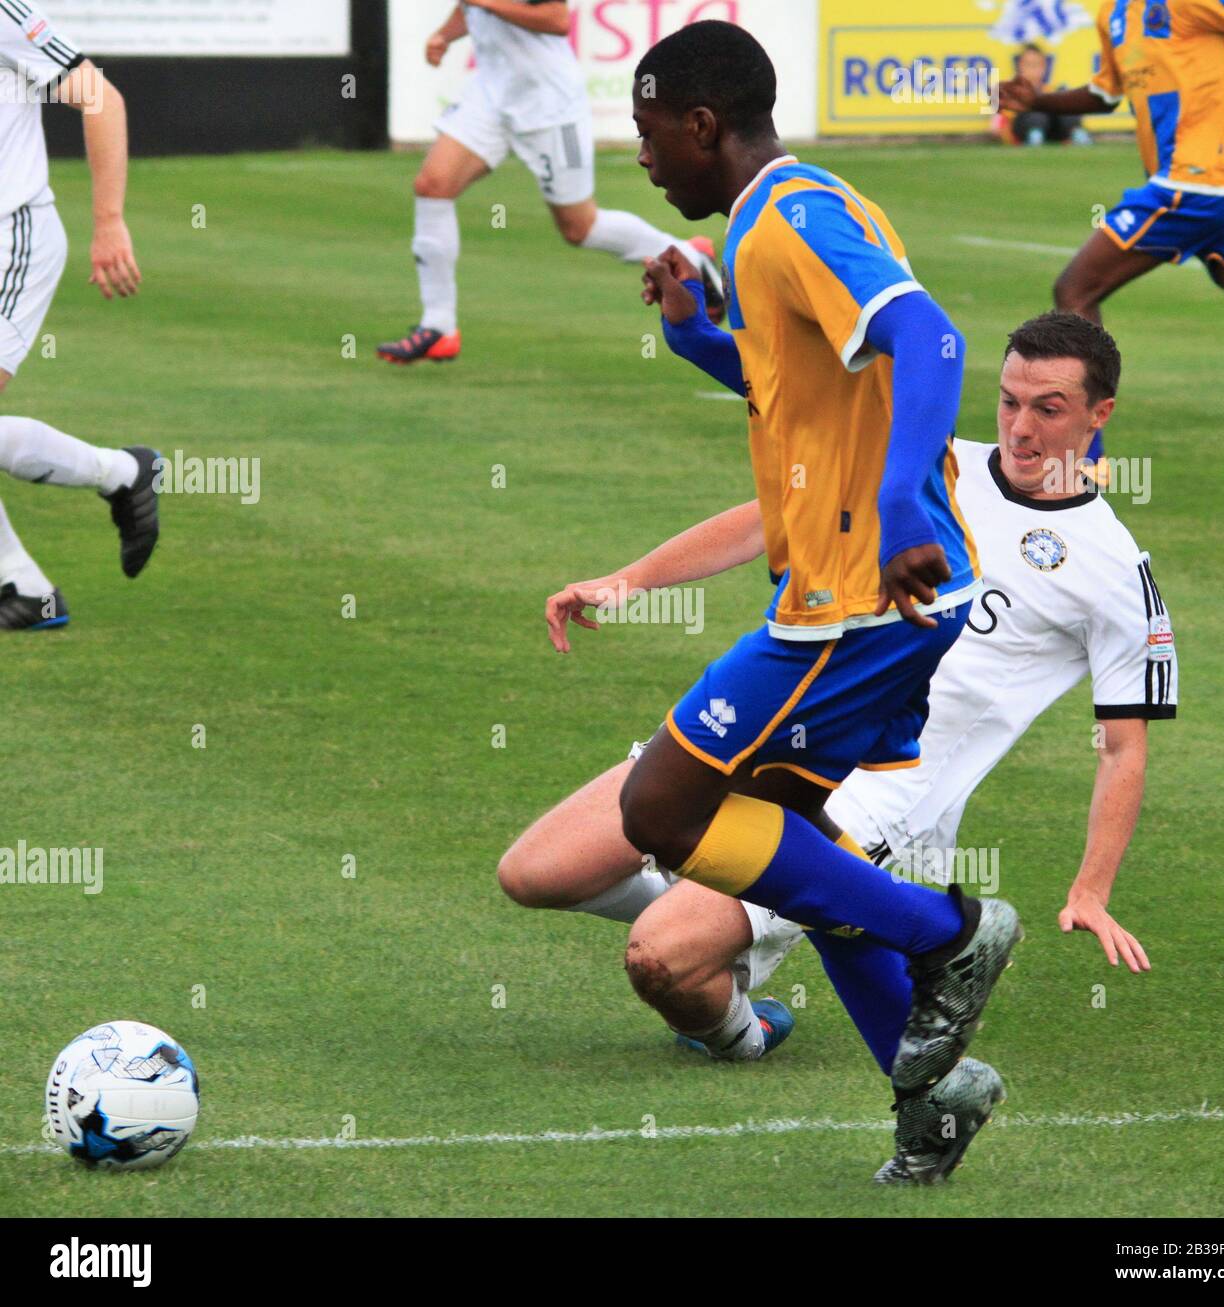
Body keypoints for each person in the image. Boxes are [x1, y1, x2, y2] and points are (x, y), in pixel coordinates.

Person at [519, 19, 1026, 1185]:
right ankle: (928, 1091)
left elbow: (927, 334)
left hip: (856, 601)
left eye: (650, 138)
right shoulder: (759, 225)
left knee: (661, 806)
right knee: (788, 852)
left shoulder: (795, 211)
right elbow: (797, 384)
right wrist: (699, 339)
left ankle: (949, 932)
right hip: (857, 595)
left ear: (704, 125)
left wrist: (902, 498)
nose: (642, 160)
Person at [501, 311, 1174, 1179]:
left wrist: (1092, 887)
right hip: (777, 720)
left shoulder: (1115, 568)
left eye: (1049, 407)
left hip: (884, 795)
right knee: (535, 872)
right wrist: (629, 578)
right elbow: (768, 516)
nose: (1021, 427)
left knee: (661, 959)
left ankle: (745, 1026)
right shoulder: (934, 463)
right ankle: (779, 918)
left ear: (1099, 415)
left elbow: (1123, 745)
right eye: (1009, 401)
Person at [376, 0, 722, 365]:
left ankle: (688, 254)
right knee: (433, 185)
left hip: (549, 104)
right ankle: (439, 327)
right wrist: (445, 36)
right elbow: (470, 8)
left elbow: (556, 20)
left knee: (580, 228)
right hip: (490, 94)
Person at [998, 1, 1224, 363]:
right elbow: (1105, 95)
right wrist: (1039, 100)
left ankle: (1091, 420)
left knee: (1075, 291)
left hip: (1192, 182)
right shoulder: (1113, 13)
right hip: (1222, 188)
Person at [0, 0, 159, 631]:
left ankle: (122, 473)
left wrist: (108, 222)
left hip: (12, 239)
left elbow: (103, 98)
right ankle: (24, 588)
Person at [1001, 44, 1091, 146]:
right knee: (1036, 111)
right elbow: (1000, 126)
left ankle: (1077, 134)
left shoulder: (1053, 90)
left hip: (1053, 132)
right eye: (1028, 65)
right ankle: (1034, 137)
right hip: (1025, 131)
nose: (1032, 70)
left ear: (1044, 67)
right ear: (1020, 67)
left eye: (1036, 65)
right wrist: (1014, 142)